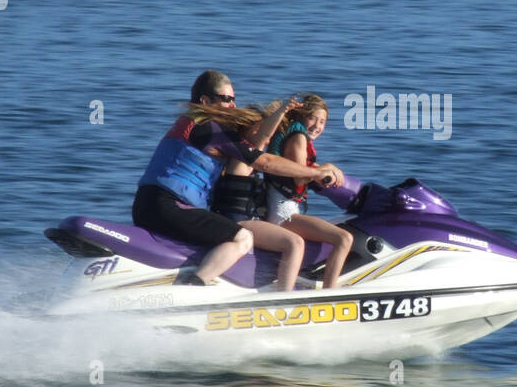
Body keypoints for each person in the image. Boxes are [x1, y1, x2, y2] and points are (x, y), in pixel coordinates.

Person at [133, 71, 342, 286]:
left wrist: (282, 112)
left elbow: (263, 141)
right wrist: (315, 173)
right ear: (205, 101)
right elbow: (264, 160)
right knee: (243, 238)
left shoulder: (195, 124)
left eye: (234, 99)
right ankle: (193, 285)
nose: (233, 105)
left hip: (151, 203)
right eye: (227, 99)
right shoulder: (210, 130)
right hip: (169, 205)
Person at [211, 96, 307, 291]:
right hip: (237, 221)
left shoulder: (243, 159)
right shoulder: (242, 159)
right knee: (294, 243)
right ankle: (284, 299)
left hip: (244, 220)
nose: (263, 132)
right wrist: (283, 110)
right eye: (256, 127)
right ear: (245, 132)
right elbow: (263, 138)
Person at [264, 95, 354, 287]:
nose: (317, 126)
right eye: (312, 118)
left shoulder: (296, 135)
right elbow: (300, 177)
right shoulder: (298, 137)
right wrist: (327, 167)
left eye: (322, 122)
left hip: (284, 210)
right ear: (302, 117)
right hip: (282, 214)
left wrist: (323, 171)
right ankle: (329, 295)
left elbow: (303, 171)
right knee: (343, 238)